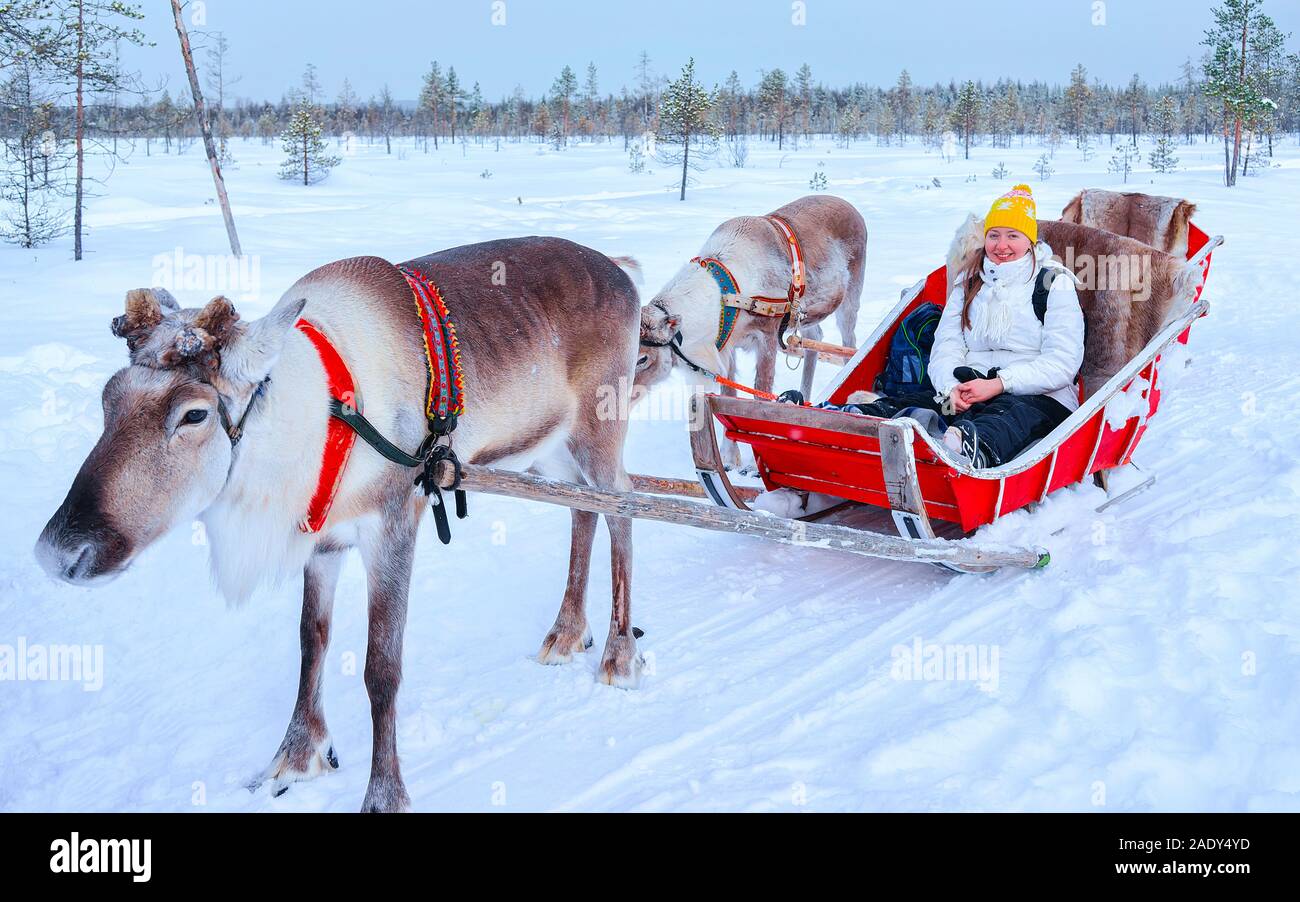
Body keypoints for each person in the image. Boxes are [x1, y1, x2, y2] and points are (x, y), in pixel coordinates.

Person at [787, 184, 1085, 468]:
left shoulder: (1052, 283)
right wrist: (950, 388)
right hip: (968, 392)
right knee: (923, 403)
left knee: (1006, 419)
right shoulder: (970, 282)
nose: (1001, 245)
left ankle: (961, 449)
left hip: (1038, 398)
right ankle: (848, 422)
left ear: (1030, 241)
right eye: (994, 235)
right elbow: (946, 346)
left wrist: (997, 384)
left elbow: (1063, 362)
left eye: (1013, 236)